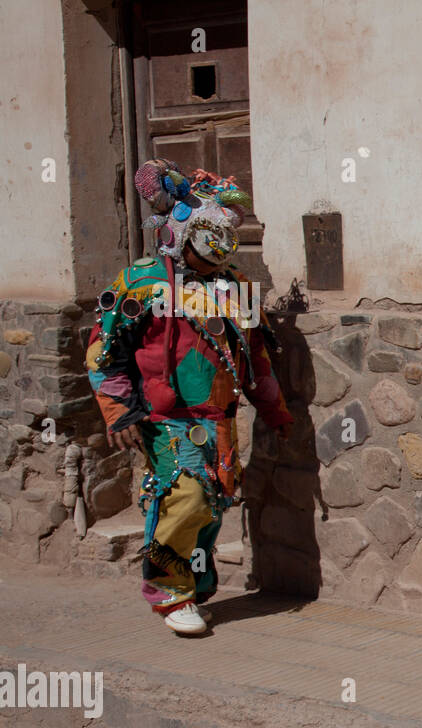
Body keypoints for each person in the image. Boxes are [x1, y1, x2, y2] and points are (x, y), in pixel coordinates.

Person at [85, 159, 292, 635]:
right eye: (204, 250)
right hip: (166, 418)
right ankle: (167, 592)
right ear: (179, 234)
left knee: (213, 506)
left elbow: (255, 355)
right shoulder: (140, 282)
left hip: (219, 420)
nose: (212, 261)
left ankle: (194, 590)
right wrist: (119, 411)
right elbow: (102, 351)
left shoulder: (235, 287)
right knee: (186, 498)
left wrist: (274, 411)